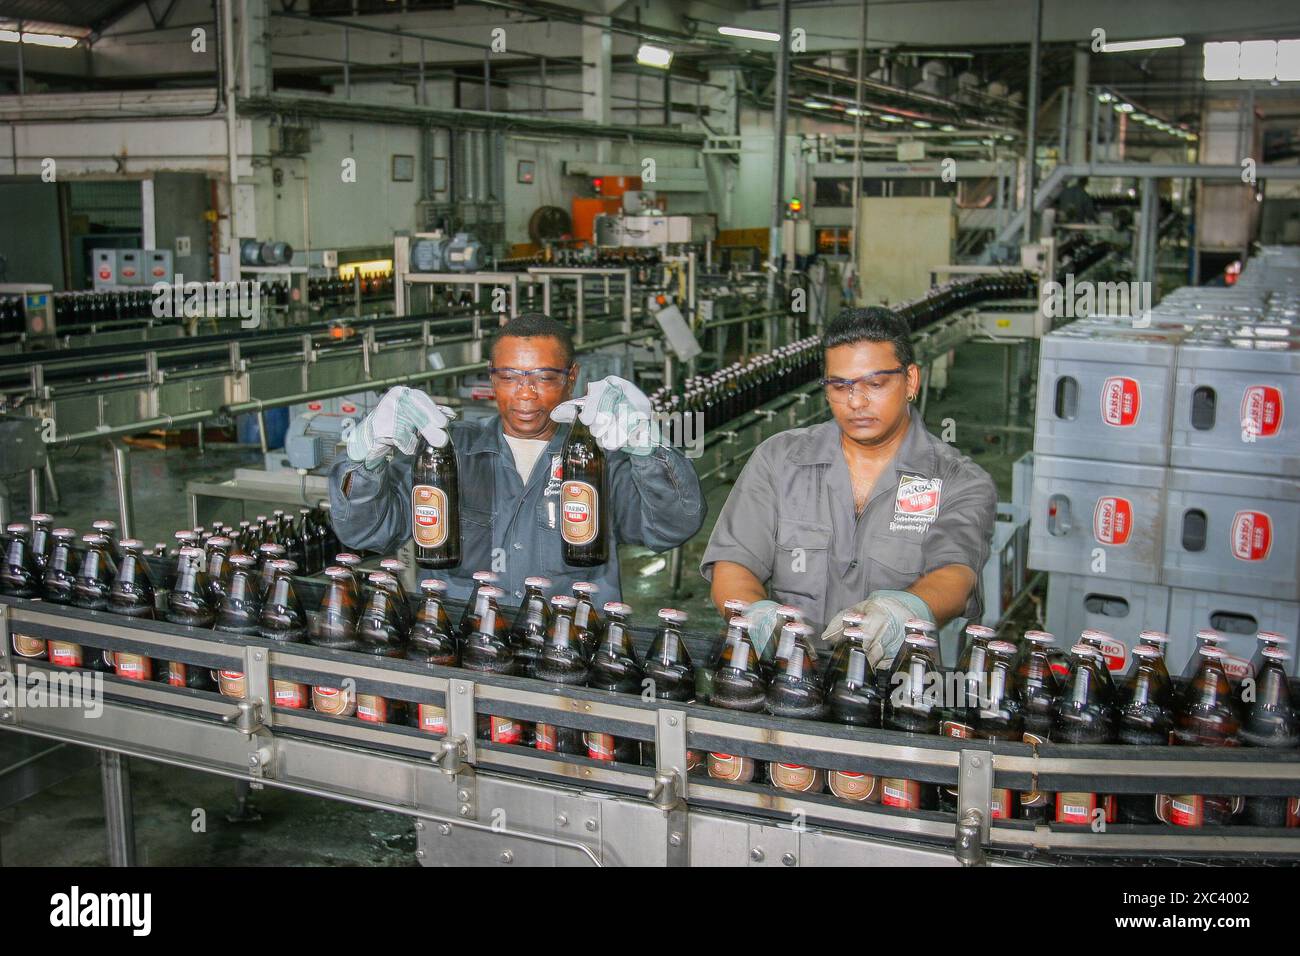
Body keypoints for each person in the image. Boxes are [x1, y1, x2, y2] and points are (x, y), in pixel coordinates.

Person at [329, 312, 706, 604]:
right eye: (509, 377)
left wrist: (649, 450)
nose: (525, 394)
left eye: (543, 377)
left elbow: (672, 526)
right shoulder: (447, 454)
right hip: (465, 647)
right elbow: (367, 531)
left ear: (570, 377)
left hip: (572, 649)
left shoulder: (598, 457)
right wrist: (366, 461)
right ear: (491, 378)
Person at [701, 307, 997, 667]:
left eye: (875, 384)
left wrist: (902, 611)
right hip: (784, 670)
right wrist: (758, 617)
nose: (856, 402)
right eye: (840, 386)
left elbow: (956, 576)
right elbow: (734, 562)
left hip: (899, 683)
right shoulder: (778, 460)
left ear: (911, 381)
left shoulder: (959, 480)